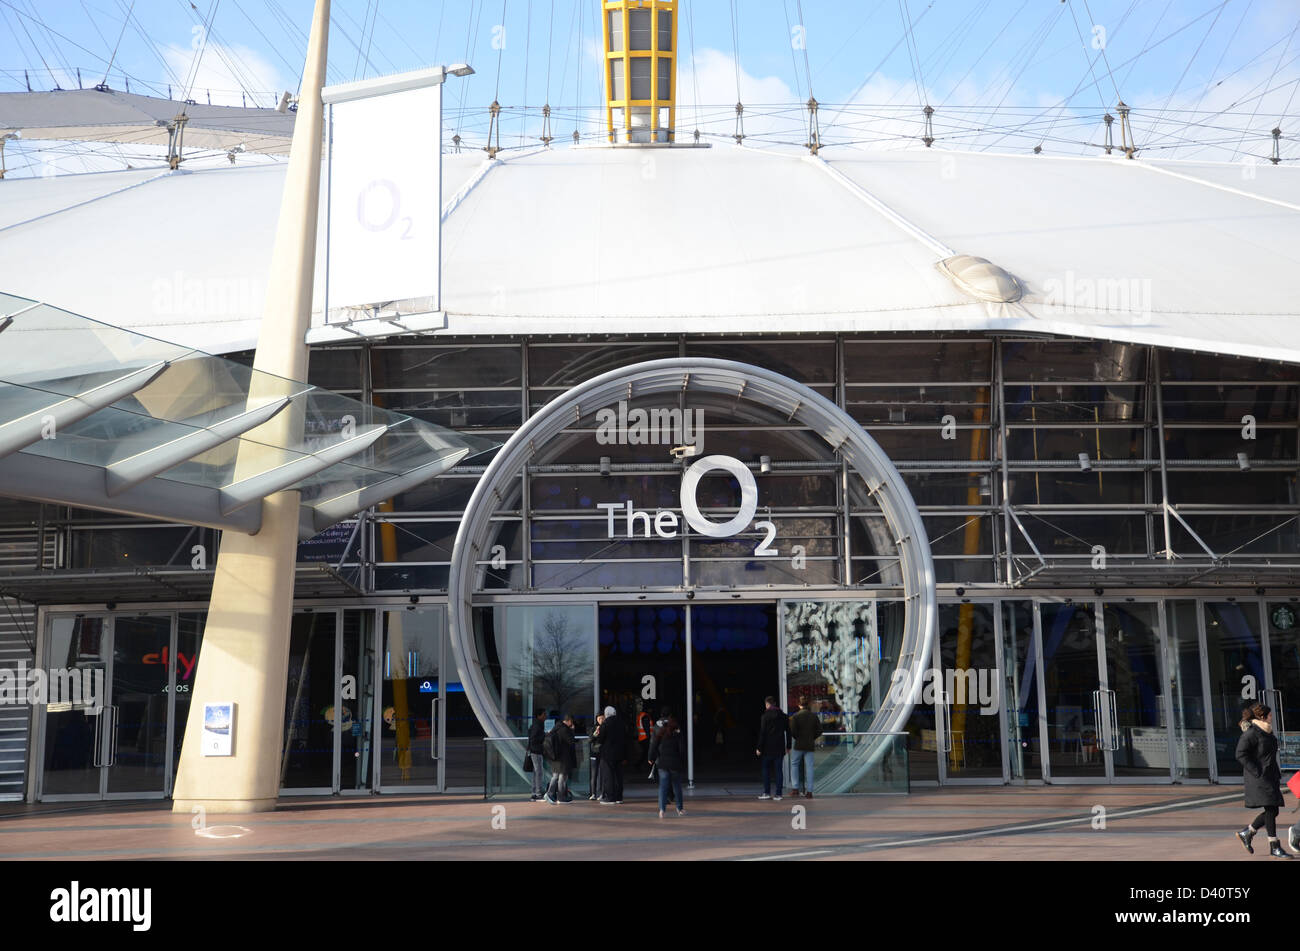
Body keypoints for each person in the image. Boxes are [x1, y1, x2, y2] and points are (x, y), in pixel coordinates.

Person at [1235, 702, 1293, 858]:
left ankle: (1248, 833)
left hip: (1270, 775)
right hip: (1260, 778)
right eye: (1270, 715)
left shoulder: (1266, 731)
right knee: (1271, 809)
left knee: (1272, 810)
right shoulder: (1252, 733)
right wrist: (1257, 771)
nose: (1271, 717)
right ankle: (1274, 846)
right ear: (1262, 716)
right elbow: (1240, 754)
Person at [648, 715, 687, 818]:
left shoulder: (660, 735)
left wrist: (651, 758)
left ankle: (662, 810)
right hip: (675, 764)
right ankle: (679, 809)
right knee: (677, 787)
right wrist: (682, 762)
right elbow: (682, 750)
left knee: (663, 787)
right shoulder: (678, 736)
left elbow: (653, 746)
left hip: (663, 764)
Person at [755, 696, 790, 801]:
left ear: (767, 704)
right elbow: (788, 731)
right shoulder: (783, 716)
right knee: (779, 770)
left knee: (766, 770)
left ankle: (767, 792)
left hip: (767, 748)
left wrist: (759, 747)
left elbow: (762, 733)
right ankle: (779, 794)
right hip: (779, 747)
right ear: (774, 704)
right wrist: (788, 746)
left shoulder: (765, 716)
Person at [788, 697, 824, 799]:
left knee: (794, 764)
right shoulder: (813, 716)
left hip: (799, 744)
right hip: (809, 744)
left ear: (799, 705)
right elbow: (820, 730)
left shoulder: (795, 716)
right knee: (809, 767)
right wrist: (812, 737)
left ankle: (795, 789)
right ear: (807, 705)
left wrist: (798, 738)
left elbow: (792, 732)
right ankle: (809, 792)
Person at [544, 713, 578, 805]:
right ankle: (560, 797)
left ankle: (550, 794)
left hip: (556, 757)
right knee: (562, 777)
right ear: (569, 721)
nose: (572, 724)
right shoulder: (564, 729)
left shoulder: (557, 727)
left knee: (556, 776)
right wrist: (572, 730)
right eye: (572, 722)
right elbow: (571, 741)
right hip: (563, 757)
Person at [598, 705, 627, 804]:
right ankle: (619, 797)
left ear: (606, 714)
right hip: (620, 753)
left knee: (608, 775)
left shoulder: (605, 724)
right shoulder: (621, 723)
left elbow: (600, 739)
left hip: (608, 754)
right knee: (618, 775)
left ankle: (610, 797)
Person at [527, 709, 547, 801]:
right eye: (544, 714)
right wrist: (544, 736)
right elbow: (533, 739)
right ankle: (537, 793)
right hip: (536, 751)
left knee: (537, 771)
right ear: (539, 716)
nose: (545, 716)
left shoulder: (537, 725)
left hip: (536, 751)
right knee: (538, 771)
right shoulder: (537, 725)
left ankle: (535, 792)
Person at [588, 713, 605, 801]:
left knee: (602, 774)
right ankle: (593, 793)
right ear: (597, 719)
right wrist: (595, 733)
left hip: (603, 753)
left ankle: (602, 793)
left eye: (602, 718)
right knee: (594, 774)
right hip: (594, 753)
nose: (601, 720)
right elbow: (590, 740)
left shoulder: (606, 727)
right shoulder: (593, 728)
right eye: (599, 718)